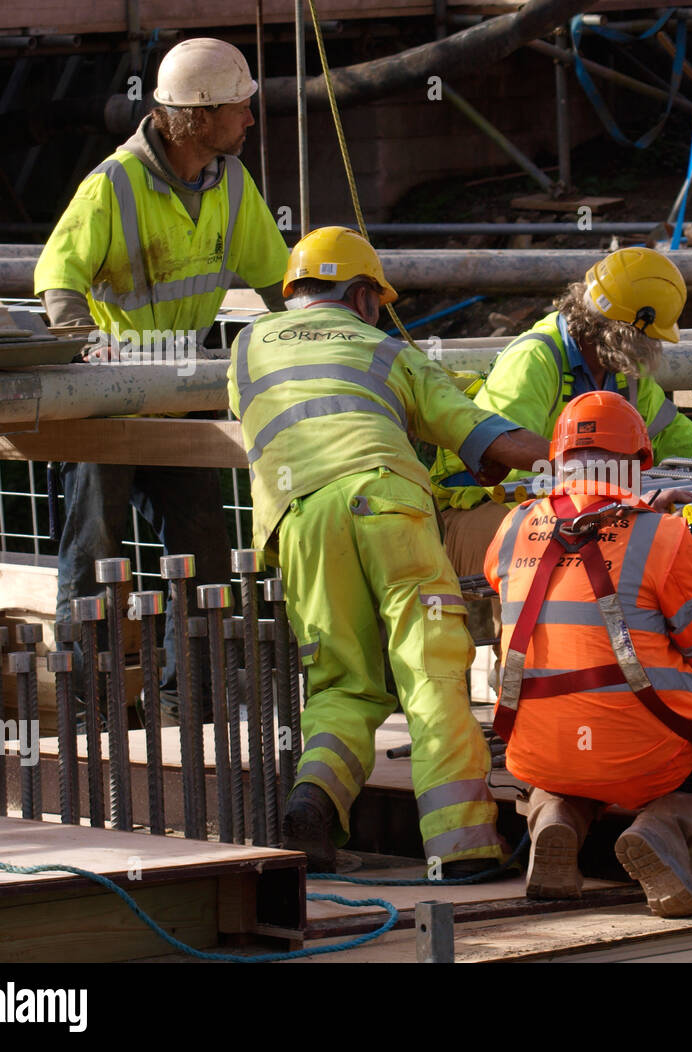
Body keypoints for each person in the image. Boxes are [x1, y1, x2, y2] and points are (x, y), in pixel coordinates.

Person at [228, 226, 550, 873]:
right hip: (388, 503)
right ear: (365, 297)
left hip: (300, 520)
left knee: (343, 681)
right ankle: (462, 850)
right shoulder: (385, 350)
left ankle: (313, 805)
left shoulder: (245, 347)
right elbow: (482, 433)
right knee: (430, 670)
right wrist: (578, 463)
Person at [34, 37, 289, 722]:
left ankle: (187, 703)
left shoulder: (232, 184)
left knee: (205, 542)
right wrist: (86, 355)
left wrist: (317, 338)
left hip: (177, 387)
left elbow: (277, 280)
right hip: (108, 397)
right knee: (93, 546)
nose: (250, 119)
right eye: (240, 107)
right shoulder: (112, 185)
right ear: (198, 118)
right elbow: (58, 281)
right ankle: (90, 711)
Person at [483, 391, 692, 917]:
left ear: (559, 461)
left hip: (540, 746)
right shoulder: (662, 534)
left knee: (573, 769)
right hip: (646, 751)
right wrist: (663, 531)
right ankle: (663, 828)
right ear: (637, 465)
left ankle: (554, 818)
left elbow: (525, 579)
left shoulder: (513, 526)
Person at [432, 246, 692, 578]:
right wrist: (606, 505)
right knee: (537, 548)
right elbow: (510, 469)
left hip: (574, 511)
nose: (653, 348)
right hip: (482, 511)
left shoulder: (623, 370)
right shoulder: (535, 360)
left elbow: (668, 432)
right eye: (649, 338)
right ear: (625, 333)